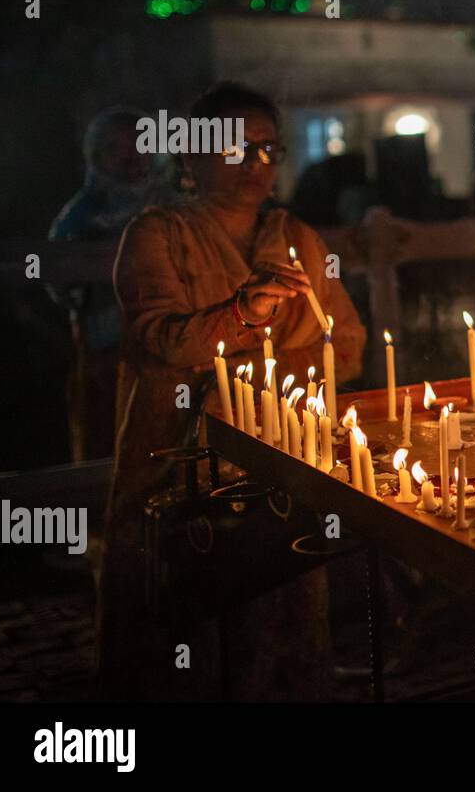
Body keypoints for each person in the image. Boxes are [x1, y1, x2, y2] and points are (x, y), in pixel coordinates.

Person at [95, 83, 366, 700]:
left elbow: (347, 344)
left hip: (280, 461)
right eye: (236, 148)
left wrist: (246, 370)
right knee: (176, 620)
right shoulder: (157, 235)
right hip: (176, 460)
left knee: (278, 614)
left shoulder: (299, 240)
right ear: (192, 156)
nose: (255, 164)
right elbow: (163, 340)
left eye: (269, 149)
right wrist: (242, 316)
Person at [48, 106, 156, 461]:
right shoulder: (80, 217)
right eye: (115, 147)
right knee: (108, 447)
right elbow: (59, 280)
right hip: (105, 355)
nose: (129, 155)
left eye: (138, 144)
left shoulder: (166, 206)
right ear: (97, 156)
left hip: (163, 350)